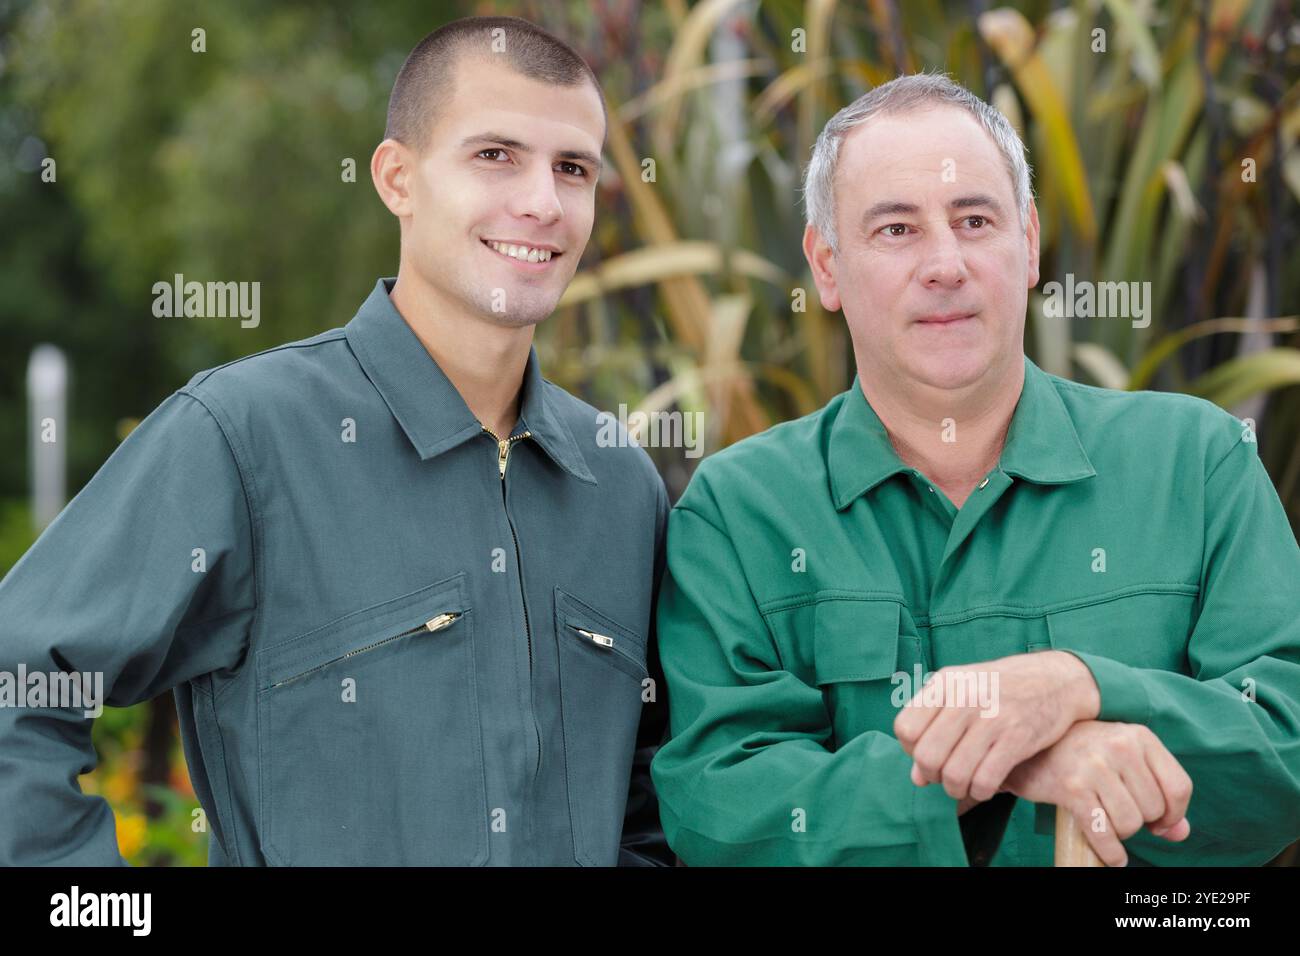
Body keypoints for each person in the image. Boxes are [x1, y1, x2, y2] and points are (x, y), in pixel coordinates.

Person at [0, 15, 671, 867]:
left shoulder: (619, 484)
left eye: (572, 167)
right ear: (397, 178)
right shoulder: (242, 437)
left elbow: (649, 796)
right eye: (495, 155)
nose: (542, 201)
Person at [649, 72, 1300, 866]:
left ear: (1026, 242)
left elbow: (1288, 739)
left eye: (974, 219)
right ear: (826, 265)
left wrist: (1080, 687)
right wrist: (1002, 768)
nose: (945, 263)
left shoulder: (1194, 463)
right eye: (896, 229)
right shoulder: (740, 511)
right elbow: (720, 808)